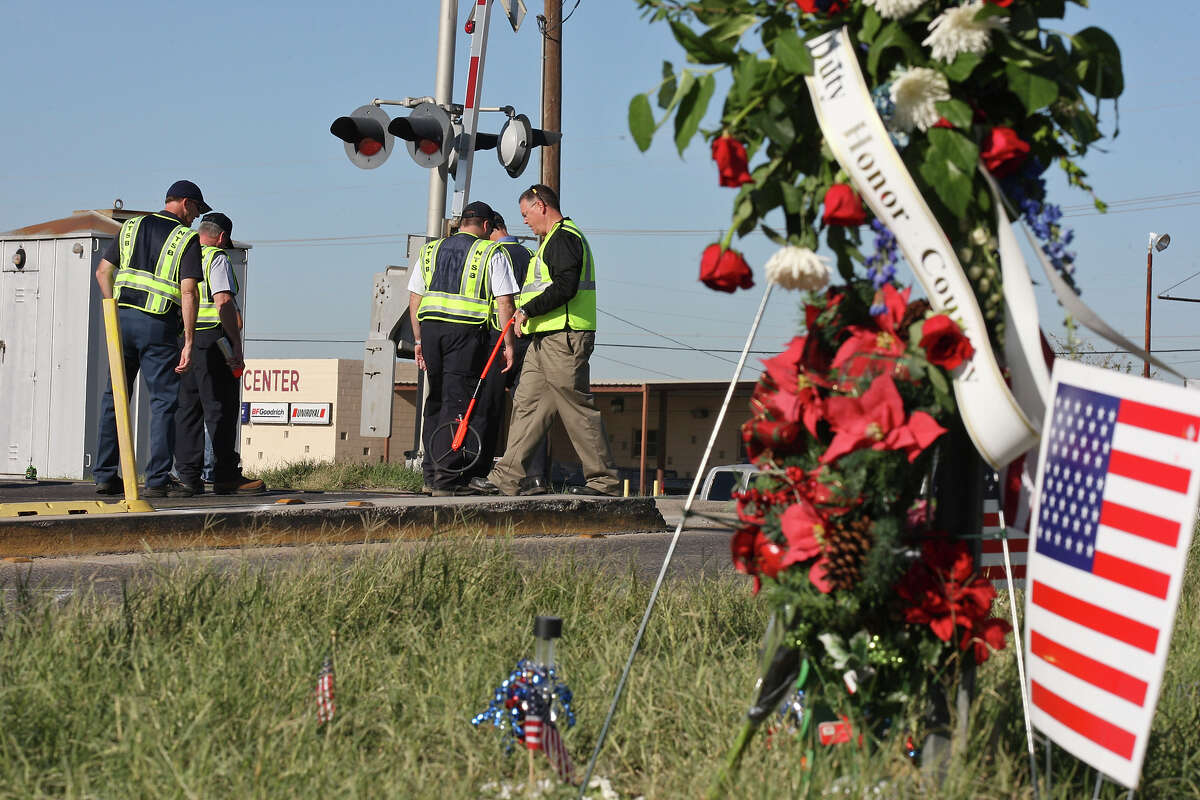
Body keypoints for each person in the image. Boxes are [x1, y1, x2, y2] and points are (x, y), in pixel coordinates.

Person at [470, 185, 620, 497]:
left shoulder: (564, 237)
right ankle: (506, 479)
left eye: (526, 214)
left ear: (540, 206)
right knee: (527, 405)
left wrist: (526, 309)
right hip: (545, 339)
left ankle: (603, 481)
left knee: (576, 407)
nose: (524, 221)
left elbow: (566, 287)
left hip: (564, 338)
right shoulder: (553, 240)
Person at [93, 180, 207, 497]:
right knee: (163, 403)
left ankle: (104, 475)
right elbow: (188, 291)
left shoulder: (131, 226)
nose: (196, 217)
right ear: (185, 203)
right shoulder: (186, 238)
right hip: (157, 325)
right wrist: (188, 340)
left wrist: (111, 309)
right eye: (197, 209)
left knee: (114, 396)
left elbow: (103, 272)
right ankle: (156, 481)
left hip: (121, 320)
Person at [407, 201, 519, 496]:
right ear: (485, 226)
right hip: (465, 332)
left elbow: (414, 298)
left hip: (430, 331)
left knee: (436, 400)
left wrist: (418, 341)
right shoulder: (491, 252)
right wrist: (508, 344)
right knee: (458, 402)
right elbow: (505, 302)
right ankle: (447, 479)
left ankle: (430, 475)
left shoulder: (430, 250)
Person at [173, 213, 265, 495]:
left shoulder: (183, 256)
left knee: (188, 409)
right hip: (213, 342)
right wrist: (236, 344)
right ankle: (225, 475)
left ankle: (188, 476)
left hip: (184, 341)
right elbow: (223, 301)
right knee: (221, 408)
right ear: (223, 237)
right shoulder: (216, 257)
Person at [467, 211, 551, 495]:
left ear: (491, 227)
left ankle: (480, 473)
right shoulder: (531, 255)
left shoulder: (491, 255)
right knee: (529, 411)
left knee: (487, 408)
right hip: (530, 338)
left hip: (498, 339)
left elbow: (498, 301)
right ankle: (535, 477)